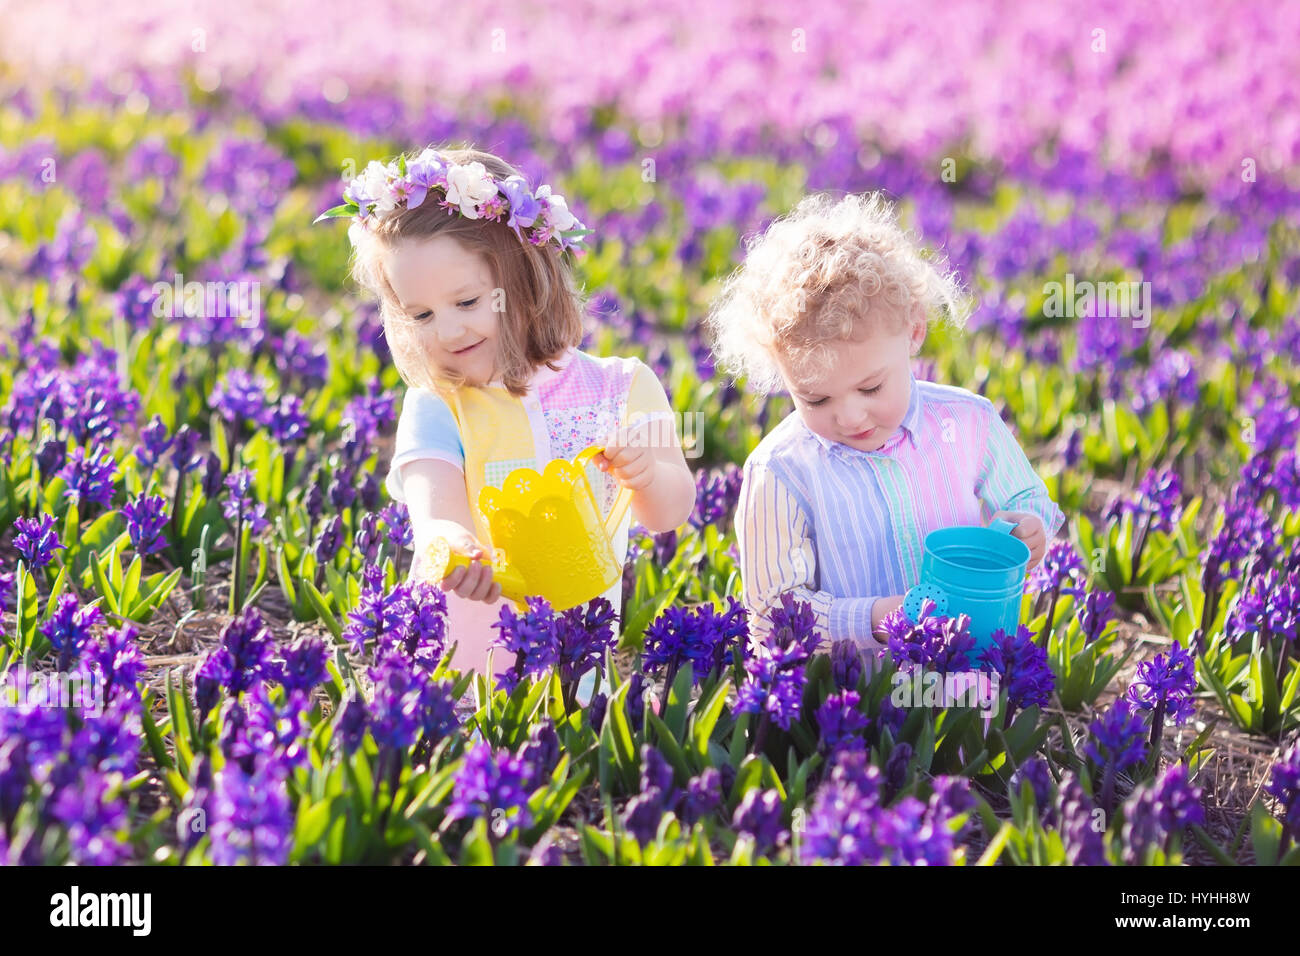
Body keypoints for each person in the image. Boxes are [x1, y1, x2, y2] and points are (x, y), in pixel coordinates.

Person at [323, 145, 696, 687]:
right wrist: (454, 548)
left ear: (525, 276)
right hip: (463, 659)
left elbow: (670, 511)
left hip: (578, 652)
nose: (448, 332)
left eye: (468, 303)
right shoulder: (437, 404)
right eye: (421, 314)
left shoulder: (623, 386)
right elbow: (436, 513)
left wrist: (646, 475)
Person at [704, 191, 1065, 662]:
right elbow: (773, 615)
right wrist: (881, 618)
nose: (850, 417)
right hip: (849, 705)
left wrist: (1031, 527)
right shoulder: (781, 471)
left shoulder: (967, 420)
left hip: (965, 675)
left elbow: (1026, 498)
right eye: (815, 398)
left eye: (871, 388)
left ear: (914, 331)